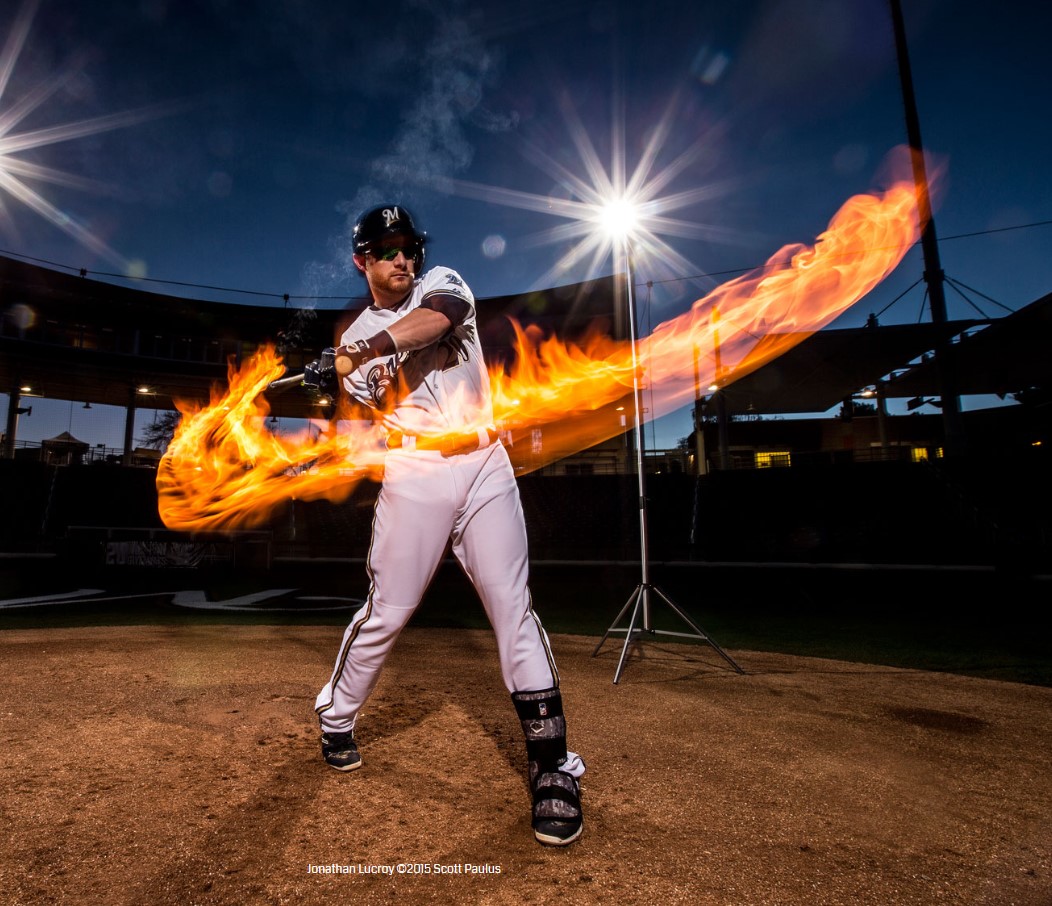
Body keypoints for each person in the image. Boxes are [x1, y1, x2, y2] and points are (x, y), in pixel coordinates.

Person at [306, 203, 585, 847]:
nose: (403, 258)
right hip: (416, 472)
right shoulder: (355, 338)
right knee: (389, 610)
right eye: (387, 249)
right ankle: (337, 716)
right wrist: (342, 371)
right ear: (362, 261)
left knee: (513, 607)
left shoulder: (442, 283)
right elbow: (374, 397)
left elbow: (438, 321)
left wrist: (362, 352)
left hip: (486, 461)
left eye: (409, 246)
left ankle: (553, 767)